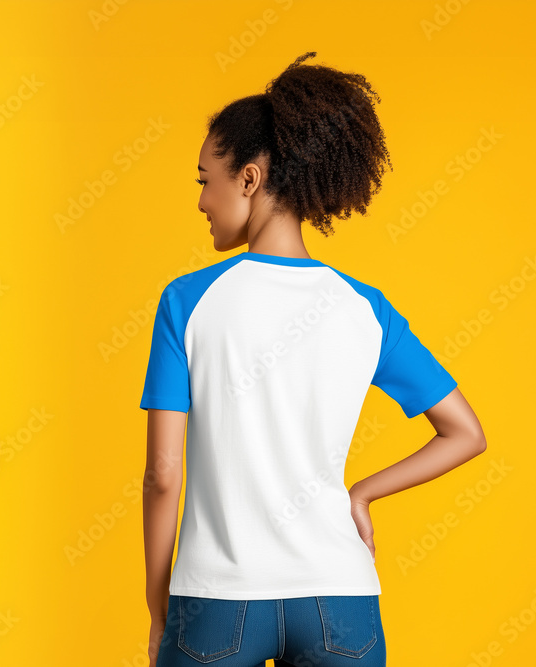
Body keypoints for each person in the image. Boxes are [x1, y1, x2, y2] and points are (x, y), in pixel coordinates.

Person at [140, 52, 486, 667]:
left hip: (216, 599)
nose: (200, 201)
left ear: (247, 179)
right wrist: (362, 494)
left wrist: (158, 605)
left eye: (203, 180)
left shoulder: (187, 301)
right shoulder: (364, 308)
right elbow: (465, 433)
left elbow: (163, 475)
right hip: (339, 597)